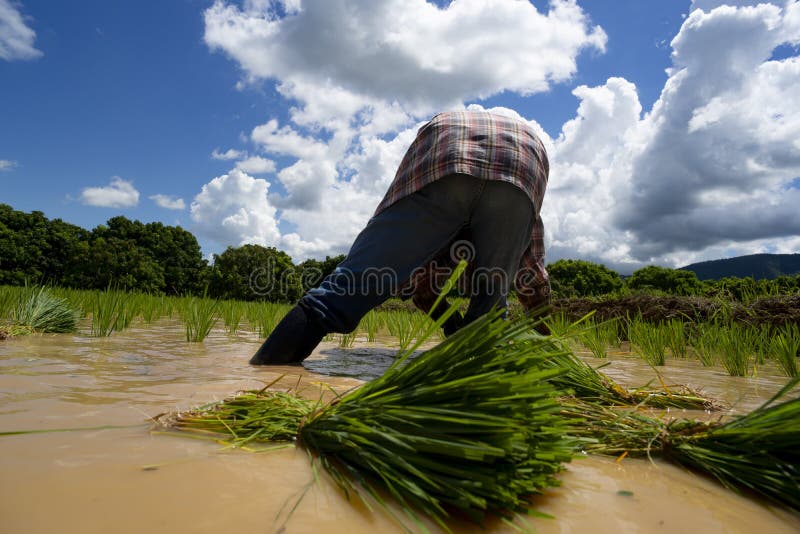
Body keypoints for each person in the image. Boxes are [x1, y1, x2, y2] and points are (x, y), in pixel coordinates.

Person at [250, 108, 551, 365]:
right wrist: (546, 339)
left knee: (340, 295)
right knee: (488, 311)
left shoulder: (423, 258)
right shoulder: (438, 265)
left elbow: (421, 292)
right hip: (523, 163)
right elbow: (532, 277)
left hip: (447, 150)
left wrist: (453, 328)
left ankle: (262, 382)